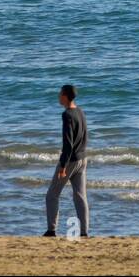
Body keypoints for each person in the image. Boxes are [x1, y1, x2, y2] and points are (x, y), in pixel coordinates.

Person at [43, 84, 89, 238]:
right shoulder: (80, 112)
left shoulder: (67, 115)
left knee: (52, 195)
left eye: (60, 93)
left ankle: (51, 230)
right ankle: (83, 232)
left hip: (70, 161)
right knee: (80, 196)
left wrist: (63, 165)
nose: (58, 96)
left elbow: (67, 144)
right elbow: (85, 136)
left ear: (65, 96)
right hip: (83, 159)